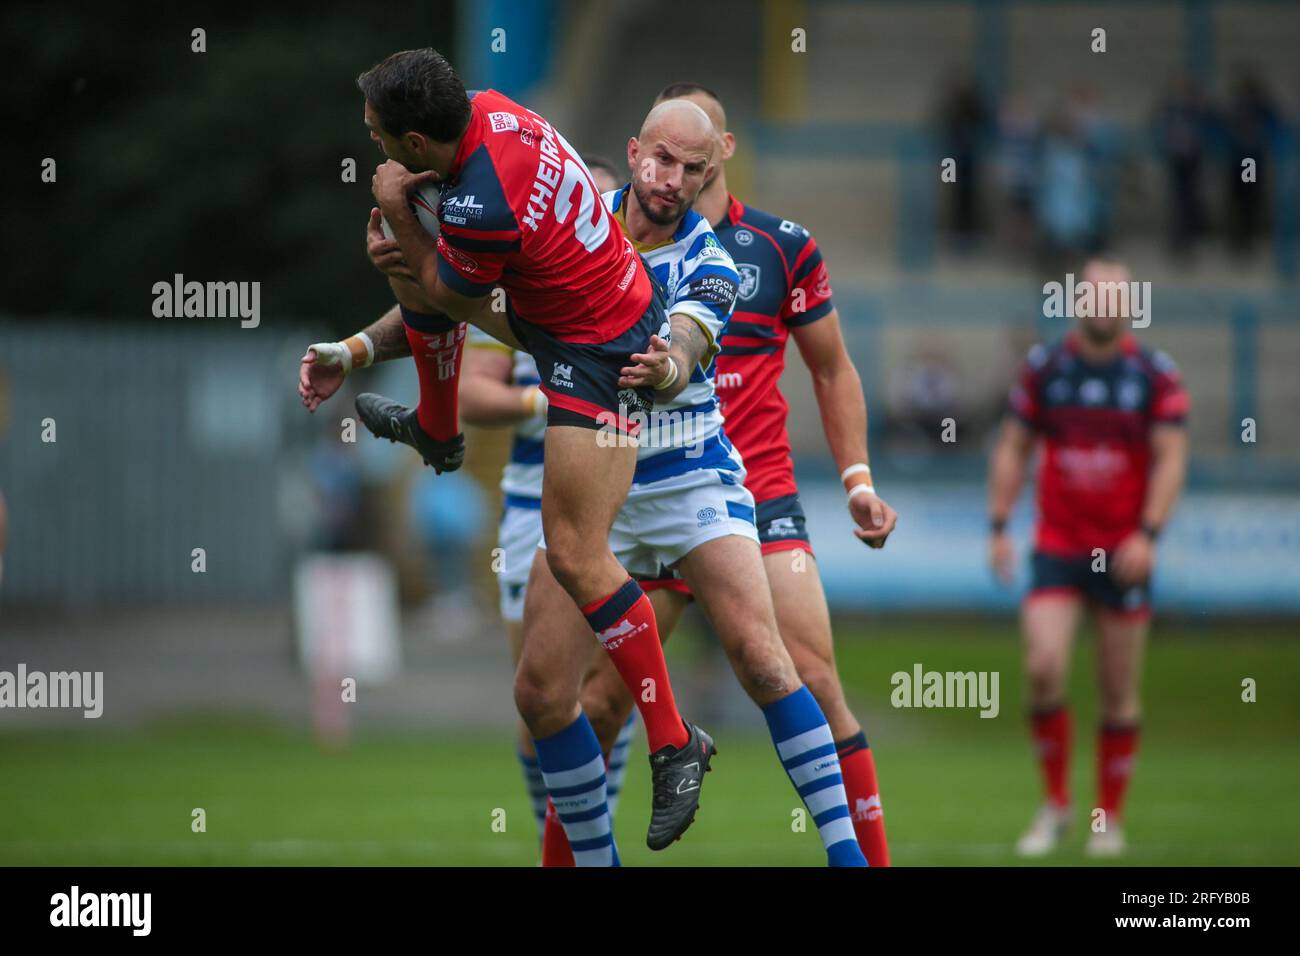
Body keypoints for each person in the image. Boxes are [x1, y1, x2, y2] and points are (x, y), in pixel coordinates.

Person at [297, 49, 710, 850]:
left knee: (578, 555)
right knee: (539, 693)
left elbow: (448, 293)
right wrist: (356, 341)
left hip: (597, 351)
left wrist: (395, 208)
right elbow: (440, 279)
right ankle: (441, 429)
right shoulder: (487, 109)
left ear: (417, 143)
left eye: (380, 137)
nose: (376, 148)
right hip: (576, 323)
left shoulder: (482, 203)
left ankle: (673, 740)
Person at [547, 83, 898, 867]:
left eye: (692, 157)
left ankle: (862, 861)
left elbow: (833, 370)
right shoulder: (588, 228)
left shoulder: (773, 249)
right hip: (619, 480)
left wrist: (858, 480)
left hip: (741, 486)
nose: (672, 173)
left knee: (794, 667)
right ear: (639, 151)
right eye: (661, 153)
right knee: (592, 703)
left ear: (719, 156)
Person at [988, 257, 1189, 857]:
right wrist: (999, 526)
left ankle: (1109, 818)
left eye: (1116, 297)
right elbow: (1013, 447)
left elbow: (1171, 457)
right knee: (1045, 667)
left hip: (1123, 551)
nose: (1105, 305)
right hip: (1059, 545)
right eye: (1095, 295)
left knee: (1117, 688)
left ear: (1130, 305)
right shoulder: (1047, 370)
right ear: (1077, 302)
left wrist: (1148, 534)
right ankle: (1056, 805)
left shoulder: (1154, 376)